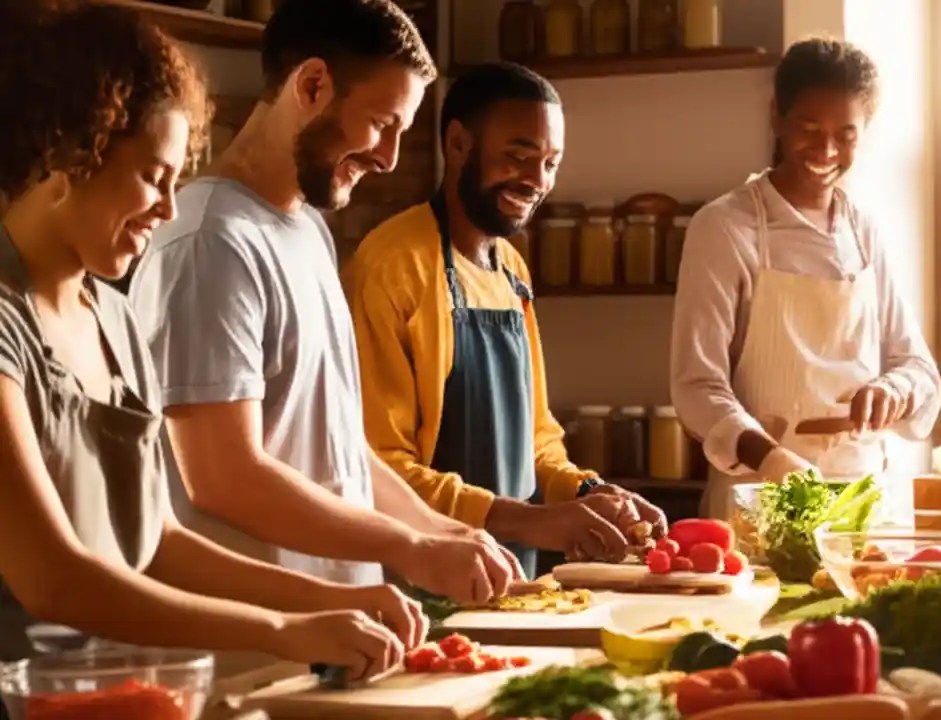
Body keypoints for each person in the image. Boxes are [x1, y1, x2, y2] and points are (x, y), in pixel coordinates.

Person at [0, 2, 419, 682]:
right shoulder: (5, 325)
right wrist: (284, 628)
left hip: (120, 693)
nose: (168, 209)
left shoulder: (113, 318)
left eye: (175, 180)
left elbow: (159, 541)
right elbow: (56, 579)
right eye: (151, 177)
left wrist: (340, 600)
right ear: (69, 151)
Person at [128, 0, 519, 608]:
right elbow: (224, 477)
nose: (389, 158)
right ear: (312, 85)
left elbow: (335, 446)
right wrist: (410, 548)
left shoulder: (306, 228)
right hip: (254, 647)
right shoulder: (210, 243)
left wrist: (439, 529)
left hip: (344, 627)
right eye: (382, 124)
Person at [344, 63, 667, 578]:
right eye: (518, 156)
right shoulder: (393, 264)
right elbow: (380, 465)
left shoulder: (511, 269)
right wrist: (532, 522)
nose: (536, 181)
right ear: (457, 144)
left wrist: (587, 492)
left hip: (514, 574)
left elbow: (537, 439)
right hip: (421, 578)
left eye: (550, 163)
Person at [670, 38, 941, 519]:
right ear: (777, 117)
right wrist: (772, 460)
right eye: (809, 128)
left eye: (847, 134)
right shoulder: (726, 227)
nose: (826, 149)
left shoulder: (864, 230)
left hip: (863, 502)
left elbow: (918, 366)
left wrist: (893, 391)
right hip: (758, 500)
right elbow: (696, 387)